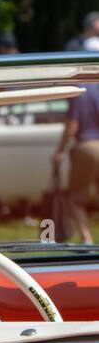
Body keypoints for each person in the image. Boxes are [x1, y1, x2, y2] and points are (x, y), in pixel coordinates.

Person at [53, 83, 99, 244]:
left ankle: (87, 239)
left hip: (87, 146)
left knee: (75, 199)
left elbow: (72, 125)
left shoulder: (78, 91)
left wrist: (60, 150)